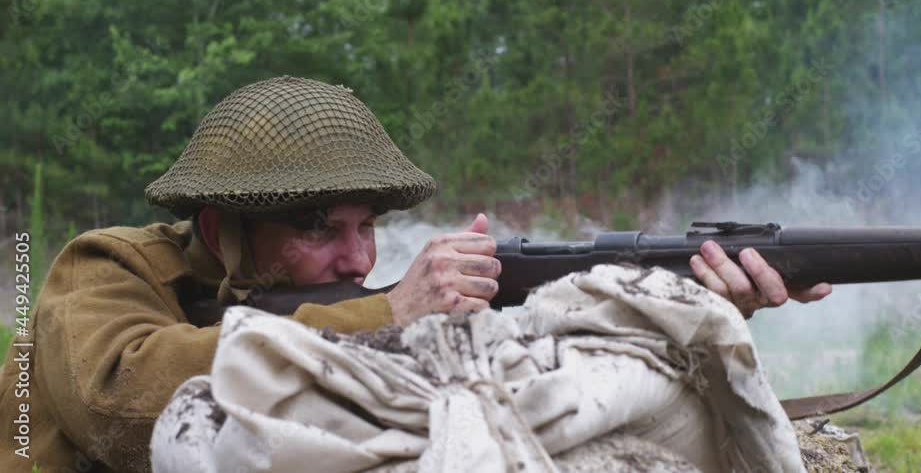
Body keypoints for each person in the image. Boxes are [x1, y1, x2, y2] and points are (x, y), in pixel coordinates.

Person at [0, 76, 830, 472]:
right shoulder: (106, 268)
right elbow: (123, 399)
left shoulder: (318, 306)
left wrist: (687, 309)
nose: (359, 260)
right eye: (320, 228)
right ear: (222, 232)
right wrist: (389, 312)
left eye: (367, 228)